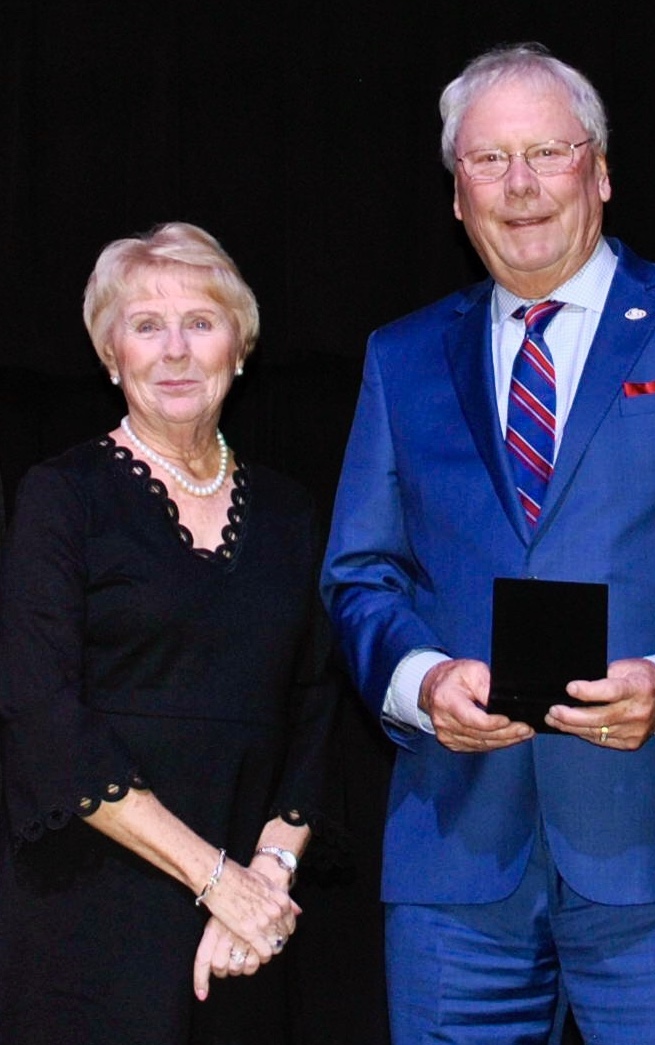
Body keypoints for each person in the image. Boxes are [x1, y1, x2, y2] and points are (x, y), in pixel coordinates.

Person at [321, 42, 655, 1045]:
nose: (520, 187)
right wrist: (422, 682)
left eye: (548, 153)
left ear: (599, 171)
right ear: (455, 193)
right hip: (456, 862)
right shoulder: (401, 355)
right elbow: (359, 578)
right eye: (488, 161)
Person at [0, 222, 337, 1045]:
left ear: (241, 346)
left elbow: (319, 705)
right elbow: (42, 712)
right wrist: (212, 875)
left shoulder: (294, 513)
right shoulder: (61, 496)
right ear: (111, 354)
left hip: (253, 925)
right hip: (91, 903)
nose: (176, 351)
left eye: (202, 321)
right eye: (147, 326)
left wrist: (267, 874)